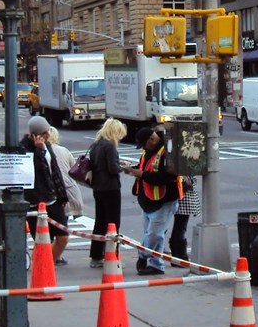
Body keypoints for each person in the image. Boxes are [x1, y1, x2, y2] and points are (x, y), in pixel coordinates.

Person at [126, 126, 180, 276]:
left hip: (163, 200)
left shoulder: (167, 151)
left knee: (153, 235)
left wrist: (141, 174)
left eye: (144, 144)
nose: (143, 147)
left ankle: (143, 256)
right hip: (148, 200)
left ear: (152, 139)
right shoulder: (148, 150)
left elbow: (165, 177)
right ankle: (157, 265)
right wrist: (132, 169)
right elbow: (145, 168)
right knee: (157, 235)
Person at [22, 116, 69, 266]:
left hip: (52, 196)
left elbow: (54, 170)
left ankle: (48, 263)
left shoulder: (47, 145)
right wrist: (39, 151)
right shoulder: (25, 149)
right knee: (42, 240)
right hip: (35, 200)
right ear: (36, 135)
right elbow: (37, 171)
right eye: (44, 132)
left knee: (63, 237)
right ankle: (42, 267)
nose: (47, 135)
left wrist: (62, 197)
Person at [86, 118, 127, 268]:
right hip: (111, 187)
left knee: (100, 222)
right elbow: (112, 169)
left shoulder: (96, 144)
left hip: (98, 187)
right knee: (113, 224)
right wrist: (124, 168)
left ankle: (96, 256)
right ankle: (112, 255)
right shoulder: (110, 146)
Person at [47, 126, 84, 220]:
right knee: (63, 223)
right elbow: (73, 168)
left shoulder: (42, 151)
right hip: (67, 190)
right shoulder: (64, 150)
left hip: (50, 192)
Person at [169, 174, 201, 267]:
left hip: (178, 197)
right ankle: (180, 256)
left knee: (178, 228)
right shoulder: (183, 165)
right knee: (180, 228)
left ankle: (176, 255)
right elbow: (188, 181)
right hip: (184, 198)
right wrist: (193, 181)